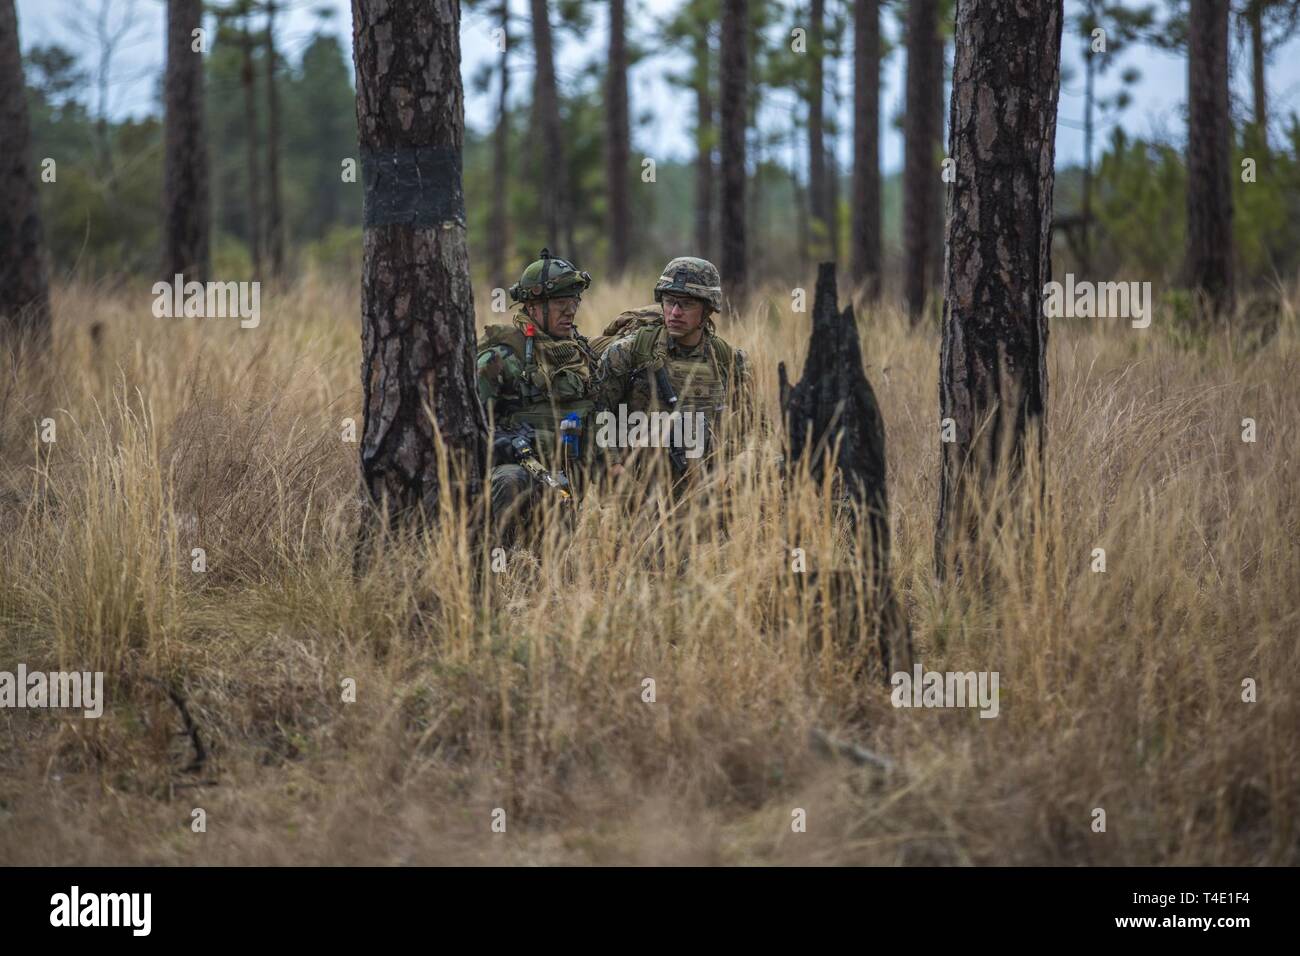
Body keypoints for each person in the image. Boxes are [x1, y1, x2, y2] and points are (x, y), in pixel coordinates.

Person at [477, 249, 610, 544]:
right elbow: (470, 426)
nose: (571, 311)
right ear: (534, 307)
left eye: (574, 301)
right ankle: (502, 565)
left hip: (573, 466)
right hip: (520, 469)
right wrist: (501, 443)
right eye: (561, 303)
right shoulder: (500, 358)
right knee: (510, 481)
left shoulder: (583, 355)